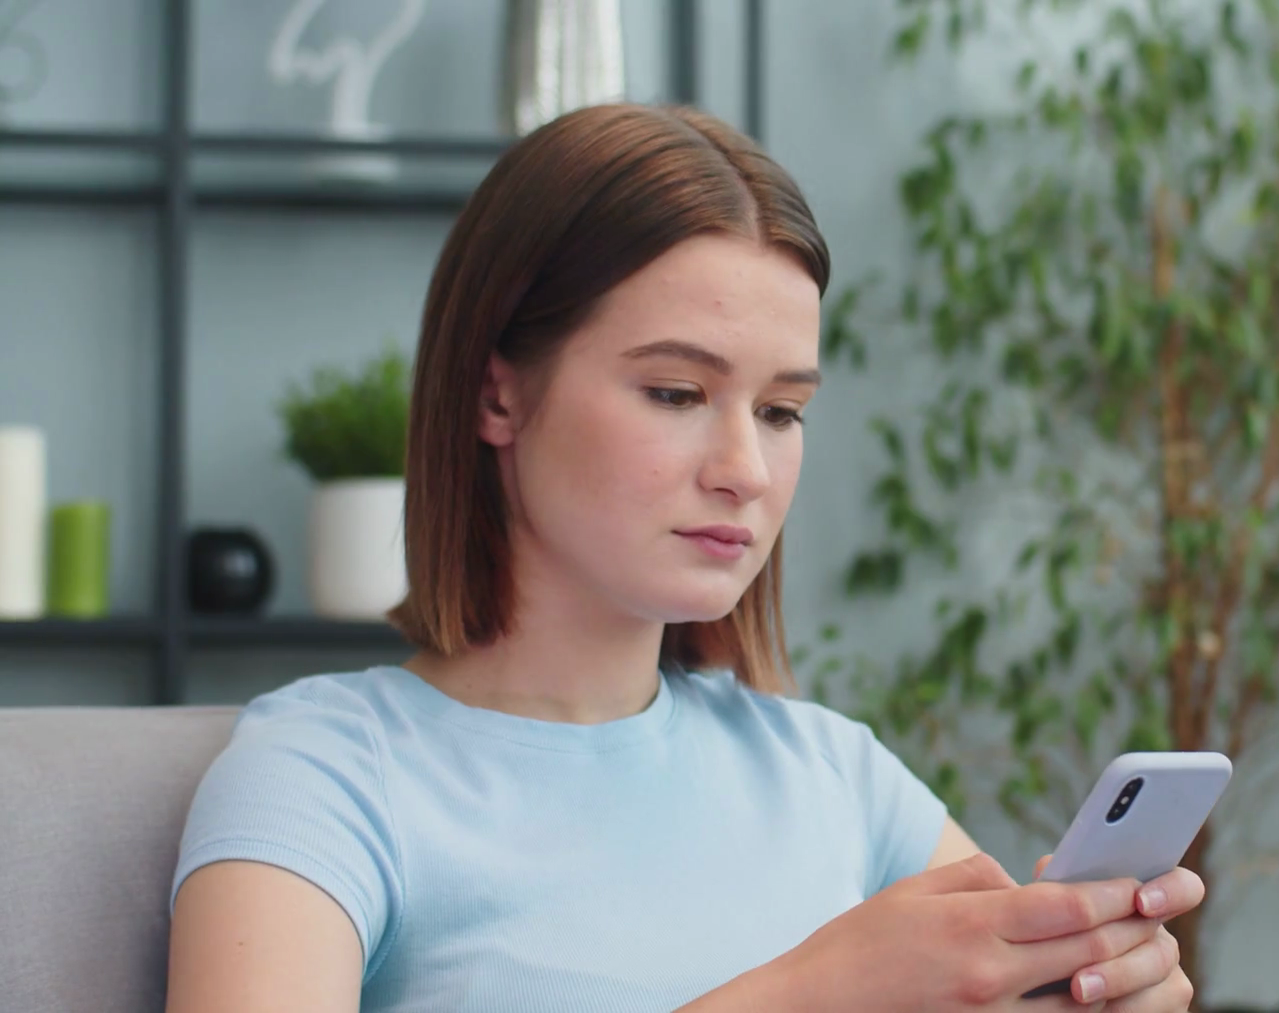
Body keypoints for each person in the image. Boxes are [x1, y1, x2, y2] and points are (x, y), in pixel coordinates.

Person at [164, 103, 1202, 1012]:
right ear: (497, 396)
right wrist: (813, 991)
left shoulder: (835, 773)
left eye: (784, 409)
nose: (745, 469)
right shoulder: (329, 773)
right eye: (675, 392)